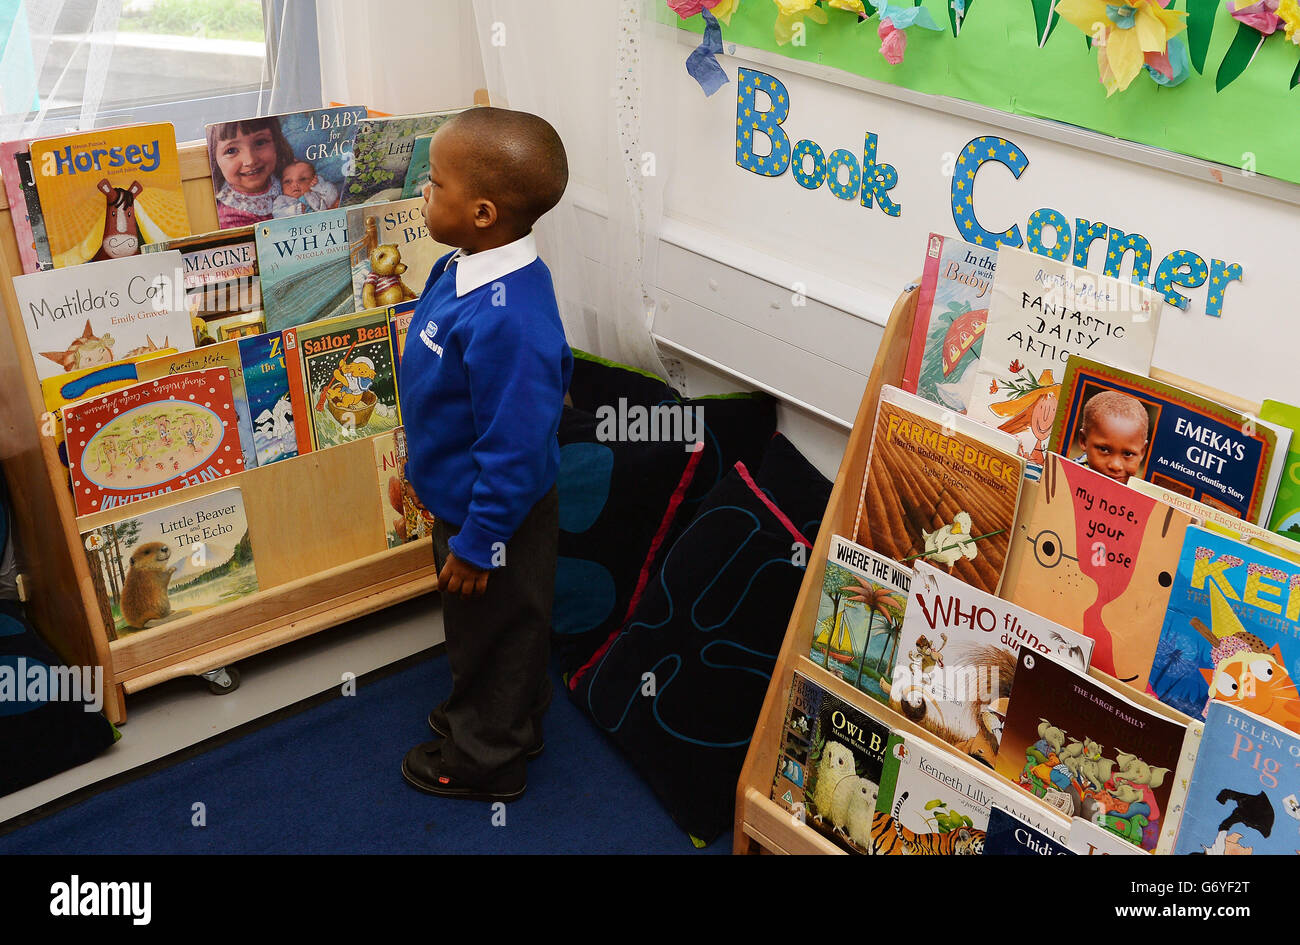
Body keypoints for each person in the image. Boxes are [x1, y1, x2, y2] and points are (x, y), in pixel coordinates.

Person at [397, 107, 572, 803]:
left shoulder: (510, 319)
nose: (424, 195)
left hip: (495, 519)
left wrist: (478, 541)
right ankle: (507, 721)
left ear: (482, 211)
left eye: (433, 185)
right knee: (492, 630)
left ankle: (484, 758)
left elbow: (517, 448)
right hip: (466, 501)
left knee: (493, 634)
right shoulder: (460, 266)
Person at [207, 117, 294, 228]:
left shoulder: (286, 178)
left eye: (260, 142)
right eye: (231, 150)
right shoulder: (229, 218)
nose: (250, 160)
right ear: (215, 160)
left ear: (277, 144)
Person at [1072, 390, 1149, 484]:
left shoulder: (1138, 491)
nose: (1115, 466)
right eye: (1104, 449)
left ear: (1142, 452)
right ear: (1084, 441)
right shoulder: (1067, 478)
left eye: (1128, 454)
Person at [272, 160, 340, 216]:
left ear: (313, 180)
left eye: (302, 179)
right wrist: (295, 210)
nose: (295, 185)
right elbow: (277, 213)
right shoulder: (282, 199)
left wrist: (318, 186)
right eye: (288, 181)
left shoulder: (314, 193)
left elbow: (332, 198)